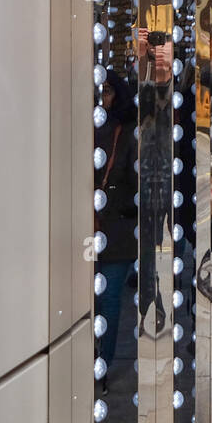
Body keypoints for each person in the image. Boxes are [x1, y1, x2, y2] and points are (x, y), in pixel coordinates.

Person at [94, 70, 138, 396]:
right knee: (91, 301)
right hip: (90, 228)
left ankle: (101, 366)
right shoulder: (82, 128)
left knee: (108, 300)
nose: (101, 97)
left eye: (107, 90)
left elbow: (136, 182)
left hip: (116, 229)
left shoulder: (128, 134)